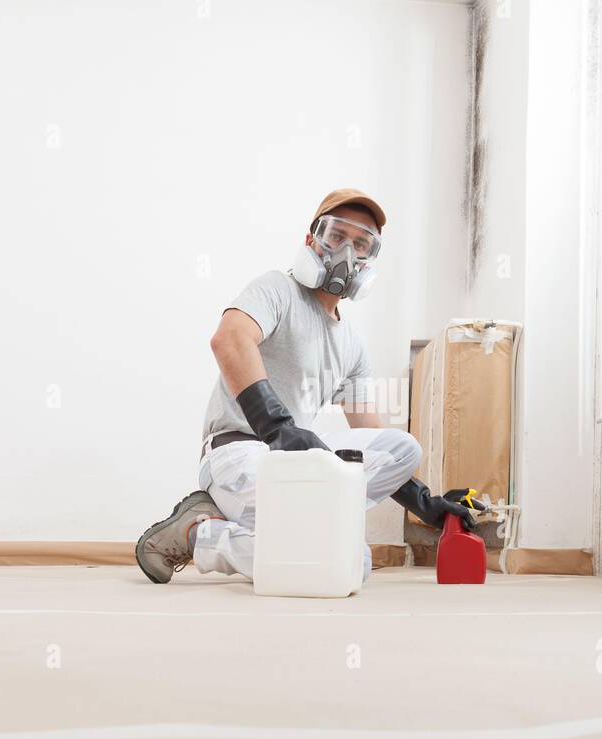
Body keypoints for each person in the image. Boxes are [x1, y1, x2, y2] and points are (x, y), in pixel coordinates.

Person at [135, 188, 475, 584]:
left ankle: (221, 526)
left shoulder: (352, 346)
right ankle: (198, 534)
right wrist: (277, 427)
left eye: (361, 244)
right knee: (334, 557)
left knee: (393, 472)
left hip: (294, 465)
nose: (347, 252)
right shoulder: (277, 289)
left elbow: (372, 436)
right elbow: (229, 339)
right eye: (337, 236)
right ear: (311, 240)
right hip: (238, 453)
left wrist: (425, 504)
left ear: (369, 261)